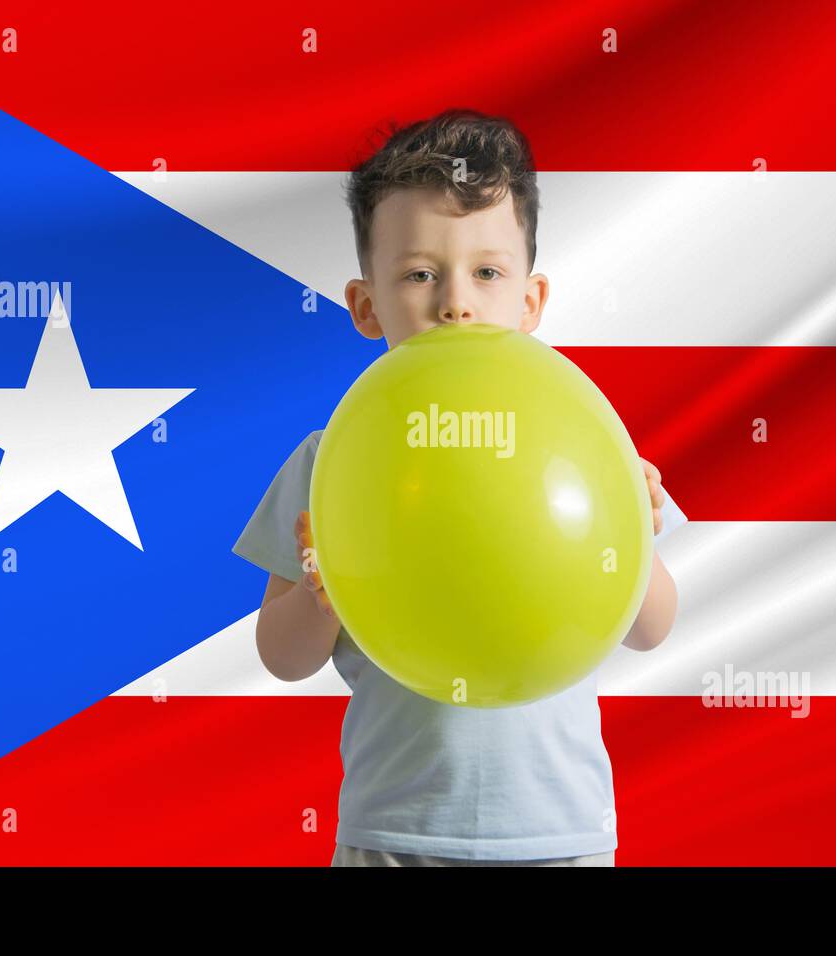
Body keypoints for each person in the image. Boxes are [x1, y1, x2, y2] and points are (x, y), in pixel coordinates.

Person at [233, 109, 682, 866]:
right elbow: (281, 657)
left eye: (487, 272)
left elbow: (651, 628)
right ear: (366, 305)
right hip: (395, 834)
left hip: (559, 835)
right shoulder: (332, 458)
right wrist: (320, 596)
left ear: (531, 301)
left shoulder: (579, 442)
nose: (455, 303)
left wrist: (634, 533)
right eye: (418, 274)